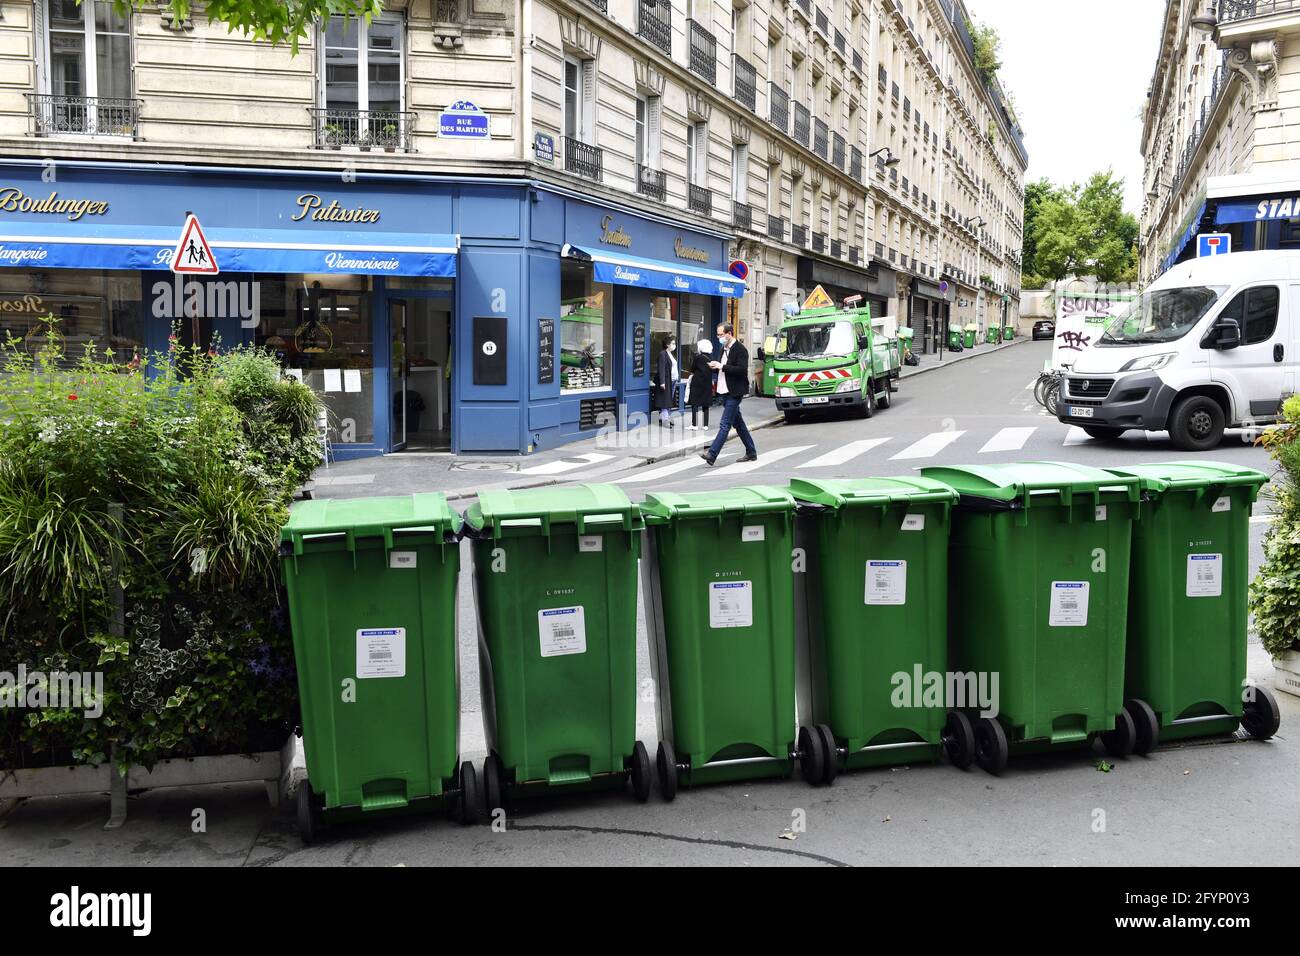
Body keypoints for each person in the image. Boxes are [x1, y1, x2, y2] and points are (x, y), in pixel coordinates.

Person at [701, 323, 757, 465]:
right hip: (724, 391)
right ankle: (751, 452)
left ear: (729, 333)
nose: (719, 337)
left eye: (721, 335)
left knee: (725, 424)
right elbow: (722, 369)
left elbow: (741, 370)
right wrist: (715, 366)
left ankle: (712, 454)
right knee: (739, 424)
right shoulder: (722, 349)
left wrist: (722, 366)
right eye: (718, 335)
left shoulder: (740, 349)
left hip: (735, 391)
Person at [684, 338, 713, 431]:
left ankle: (694, 424)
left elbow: (692, 369)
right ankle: (705, 425)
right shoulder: (710, 358)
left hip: (697, 383)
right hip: (707, 383)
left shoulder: (698, 357)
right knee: (705, 404)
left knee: (695, 404)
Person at [654, 335, 678, 428]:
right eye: (672, 343)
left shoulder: (670, 354)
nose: (674, 345)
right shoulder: (663, 354)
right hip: (667, 381)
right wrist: (662, 382)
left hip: (673, 380)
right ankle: (666, 419)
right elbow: (661, 368)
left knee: (668, 400)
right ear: (667, 344)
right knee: (665, 400)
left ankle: (663, 418)